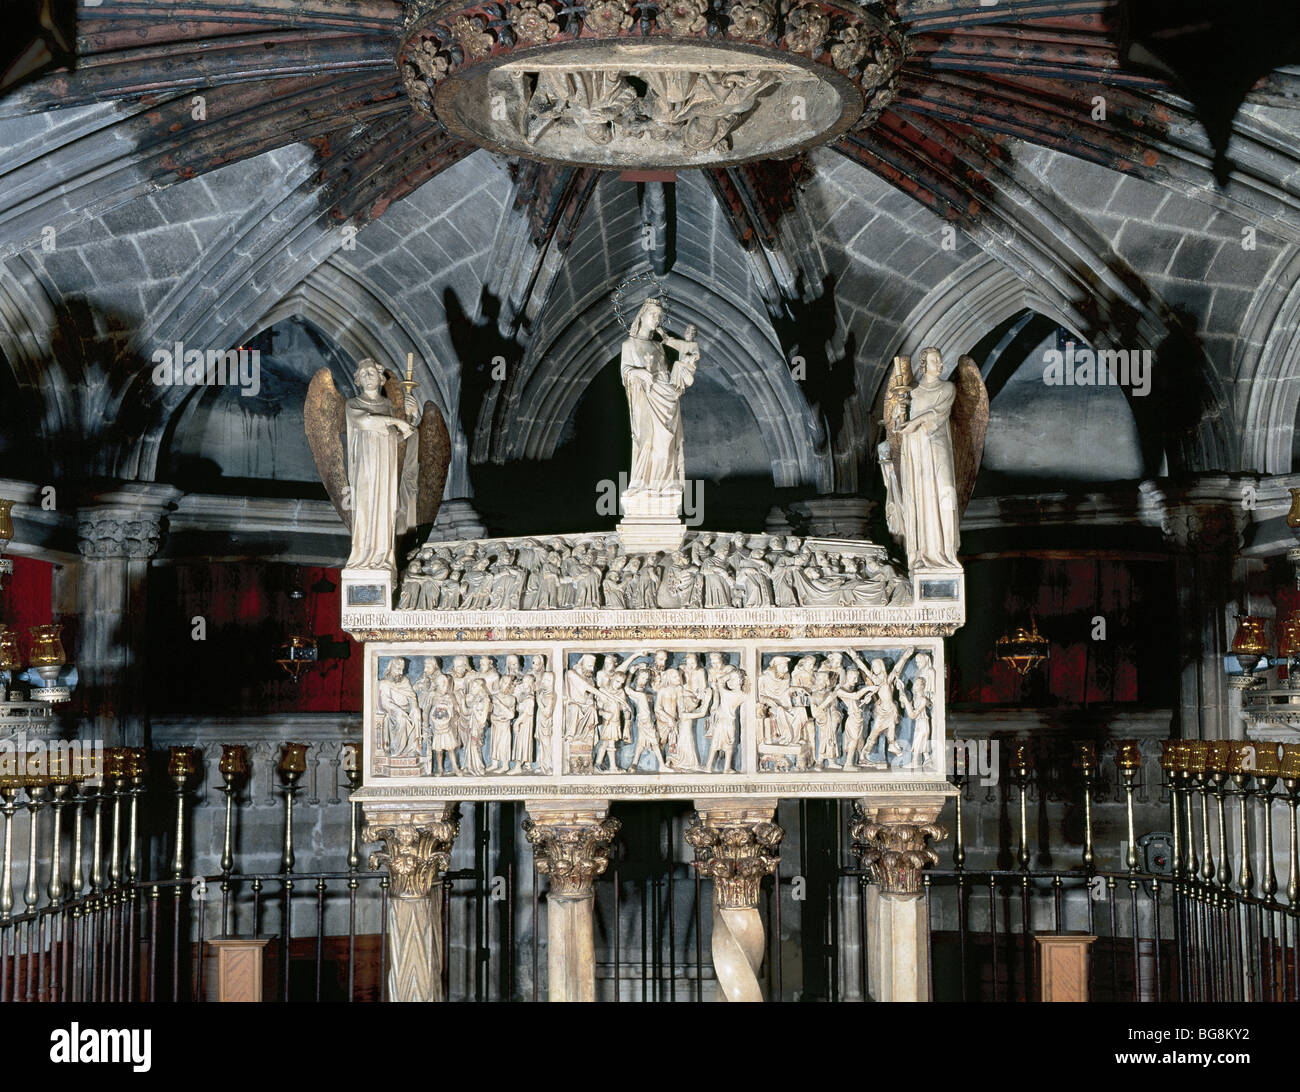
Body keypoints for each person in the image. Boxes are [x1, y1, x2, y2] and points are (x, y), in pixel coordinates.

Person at [344, 359, 417, 574]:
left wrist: (410, 416)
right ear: (358, 379)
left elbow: (396, 440)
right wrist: (397, 421)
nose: (367, 376)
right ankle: (362, 558)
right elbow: (366, 421)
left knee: (385, 511)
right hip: (365, 468)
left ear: (380, 379)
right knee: (366, 509)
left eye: (371, 373)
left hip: (385, 469)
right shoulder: (353, 404)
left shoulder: (387, 407)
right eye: (363, 373)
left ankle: (383, 557)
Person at [704, 670, 746, 773]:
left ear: (740, 681)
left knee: (715, 744)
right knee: (729, 746)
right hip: (730, 723)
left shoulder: (727, 694)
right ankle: (726, 767)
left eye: (733, 679)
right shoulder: (743, 695)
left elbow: (720, 681)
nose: (730, 681)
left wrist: (729, 674)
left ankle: (708, 766)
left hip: (722, 723)